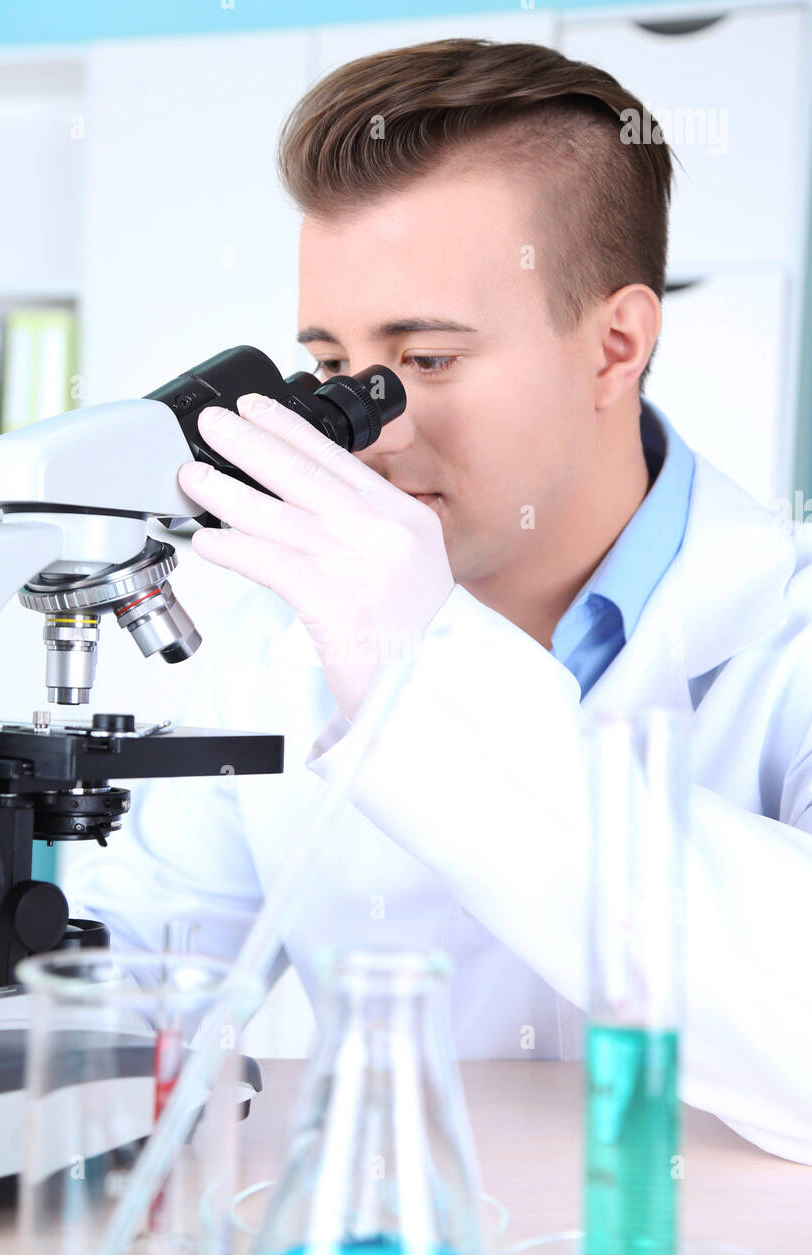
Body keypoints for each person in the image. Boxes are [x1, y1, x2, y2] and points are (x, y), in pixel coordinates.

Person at [63, 39, 812, 1163]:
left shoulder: (784, 626)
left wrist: (422, 678)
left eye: (425, 359)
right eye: (333, 367)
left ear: (615, 344)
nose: (374, 428)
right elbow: (134, 986)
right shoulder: (280, 634)